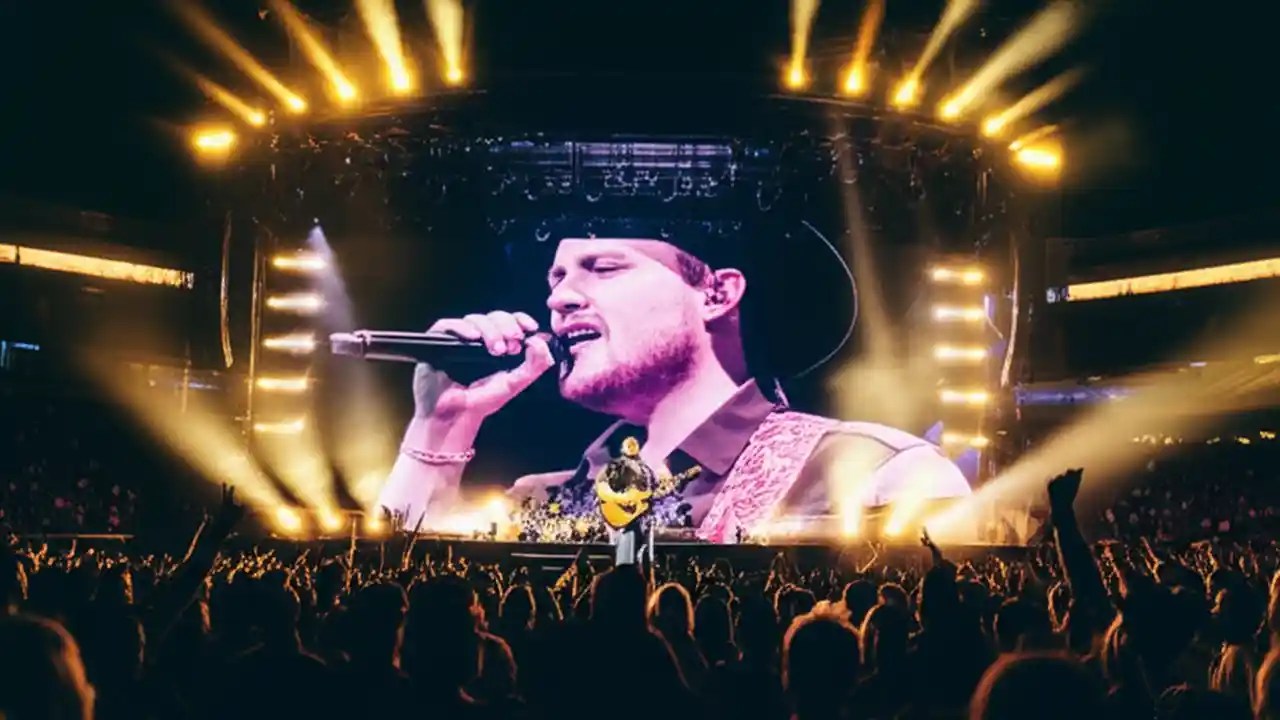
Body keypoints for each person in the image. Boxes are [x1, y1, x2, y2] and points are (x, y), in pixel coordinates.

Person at [377, 221, 970, 540]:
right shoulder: (539, 499)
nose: (558, 298)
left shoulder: (878, 473)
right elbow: (392, 622)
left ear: (717, 293)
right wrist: (443, 425)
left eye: (603, 268)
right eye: (555, 277)